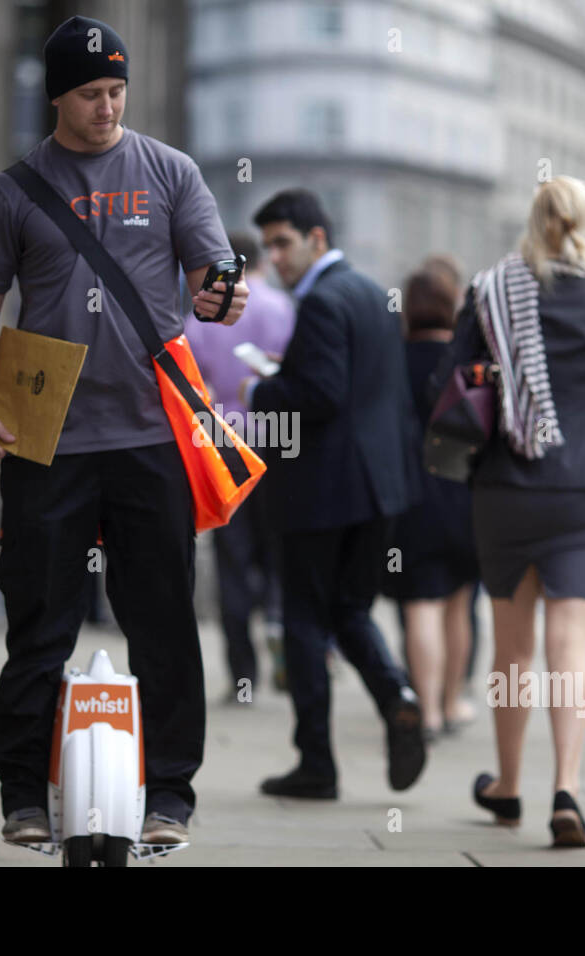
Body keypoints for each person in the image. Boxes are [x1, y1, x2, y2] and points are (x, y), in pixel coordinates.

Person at [0, 15, 248, 848]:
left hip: (153, 431)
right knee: (37, 621)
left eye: (117, 90)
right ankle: (20, 793)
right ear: (58, 96)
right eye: (91, 94)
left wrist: (223, 299)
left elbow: (206, 287)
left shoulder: (171, 171)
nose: (108, 107)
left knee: (162, 620)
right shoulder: (15, 190)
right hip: (44, 432)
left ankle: (170, 796)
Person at [443, 176, 585, 847]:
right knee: (571, 646)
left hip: (505, 485)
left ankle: (507, 789)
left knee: (512, 652)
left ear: (531, 221)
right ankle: (567, 788)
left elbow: (442, 384)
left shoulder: (488, 293)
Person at [243, 188, 426, 799]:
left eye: (283, 243)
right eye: (267, 246)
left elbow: (321, 395)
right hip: (380, 491)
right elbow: (364, 391)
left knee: (303, 620)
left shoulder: (321, 301)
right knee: (350, 611)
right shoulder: (374, 294)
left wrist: (260, 392)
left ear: (316, 238)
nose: (274, 257)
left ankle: (316, 764)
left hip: (320, 492)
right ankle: (398, 695)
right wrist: (290, 373)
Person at [182, 231, 296, 701]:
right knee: (281, 553)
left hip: (226, 441)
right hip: (279, 436)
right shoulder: (282, 307)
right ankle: (279, 626)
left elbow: (191, 378)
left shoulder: (205, 314)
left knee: (232, 558)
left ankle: (242, 676)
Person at [381, 262, 480, 742]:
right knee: (459, 605)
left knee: (421, 606)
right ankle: (452, 702)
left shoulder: (392, 360)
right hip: (464, 497)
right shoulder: (465, 362)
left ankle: (429, 716)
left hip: (410, 499)